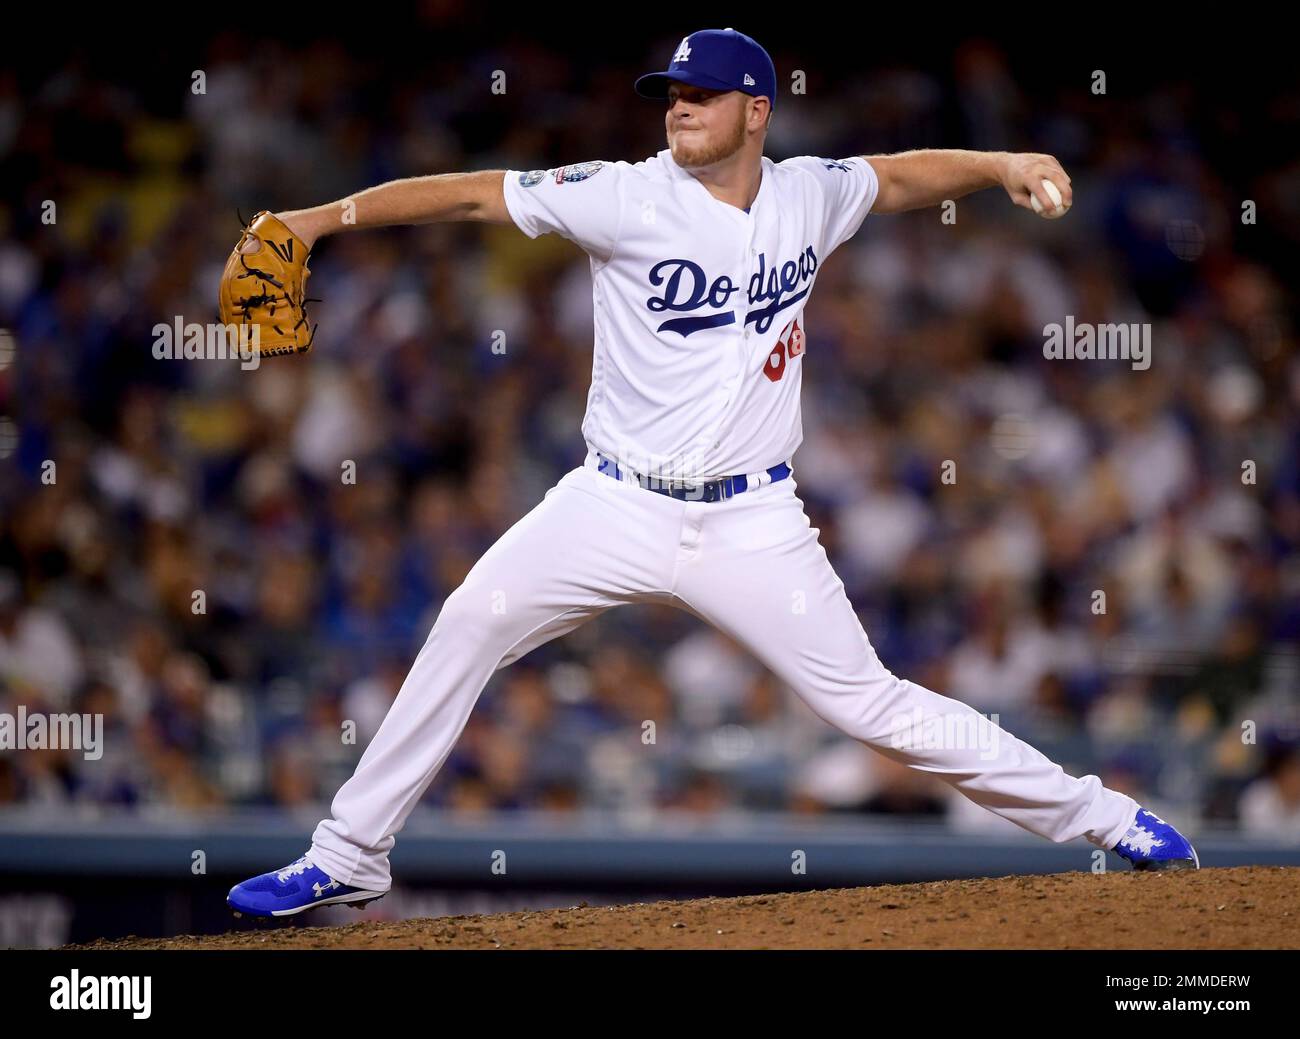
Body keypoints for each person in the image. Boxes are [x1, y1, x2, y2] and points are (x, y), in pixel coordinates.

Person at [227, 27, 1197, 918]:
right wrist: (317, 219)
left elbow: (897, 177)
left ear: (756, 111)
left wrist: (998, 163)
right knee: (471, 617)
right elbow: (478, 191)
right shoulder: (623, 194)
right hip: (612, 502)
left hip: (752, 521)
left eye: (702, 93)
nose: (679, 106)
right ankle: (351, 849)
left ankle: (1109, 820)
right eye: (671, 93)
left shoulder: (809, 193)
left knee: (871, 704)